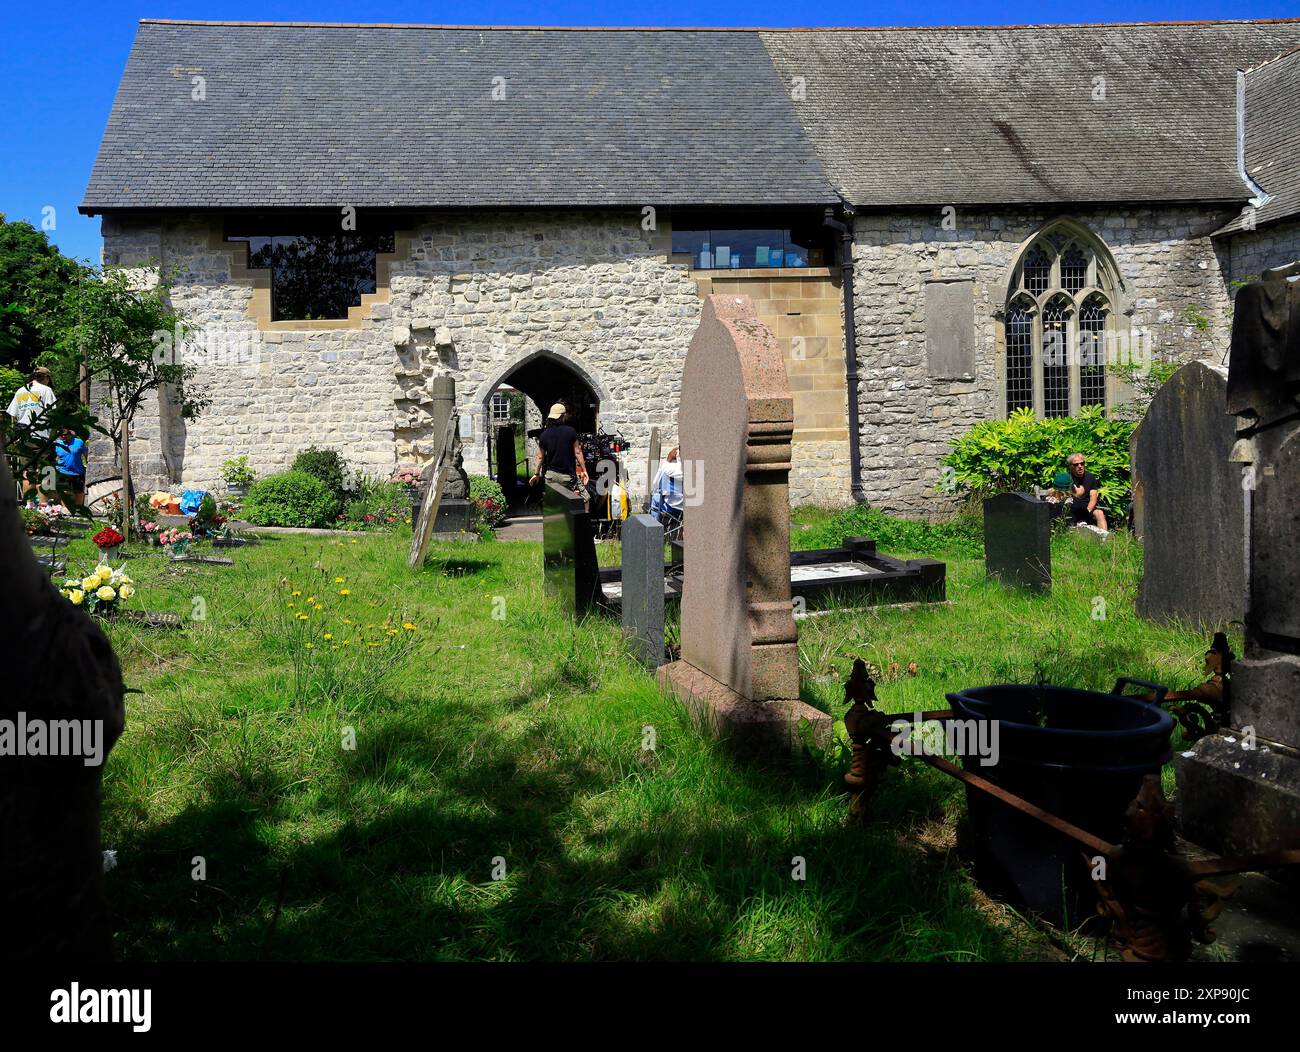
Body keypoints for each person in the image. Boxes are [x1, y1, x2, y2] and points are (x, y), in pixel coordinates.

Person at [6, 366, 57, 507]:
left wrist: (15, 436)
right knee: (45, 470)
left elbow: (13, 416)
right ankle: (44, 504)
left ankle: (29, 504)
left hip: (24, 438)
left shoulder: (20, 391)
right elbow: (53, 414)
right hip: (41, 437)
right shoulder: (46, 390)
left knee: (27, 471)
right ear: (45, 377)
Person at [529, 402, 589, 507]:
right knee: (585, 498)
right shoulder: (571, 431)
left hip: (551, 476)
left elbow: (540, 457)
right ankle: (580, 523)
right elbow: (577, 452)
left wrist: (536, 474)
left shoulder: (544, 435)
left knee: (554, 505)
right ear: (562, 416)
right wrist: (584, 470)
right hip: (567, 476)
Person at [649, 446, 684, 542]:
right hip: (686, 506)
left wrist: (667, 460)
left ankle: (654, 534)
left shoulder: (668, 468)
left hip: (672, 507)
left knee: (655, 497)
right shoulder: (693, 468)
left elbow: (655, 485)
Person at [1065, 453, 1108, 531]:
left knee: (1099, 513)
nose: (1080, 466)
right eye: (1076, 465)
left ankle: (1104, 538)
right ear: (1071, 466)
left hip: (1088, 507)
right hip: (1072, 508)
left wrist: (1087, 511)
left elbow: (1093, 497)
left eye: (1082, 463)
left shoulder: (1090, 477)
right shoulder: (1067, 478)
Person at [54, 426, 87, 507]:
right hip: (63, 472)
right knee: (64, 491)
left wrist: (87, 464)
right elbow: (53, 456)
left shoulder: (79, 442)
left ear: (70, 434)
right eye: (61, 435)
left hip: (78, 472)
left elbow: (86, 454)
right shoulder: (57, 444)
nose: (64, 436)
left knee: (79, 492)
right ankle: (65, 509)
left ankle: (79, 509)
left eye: (66, 434)